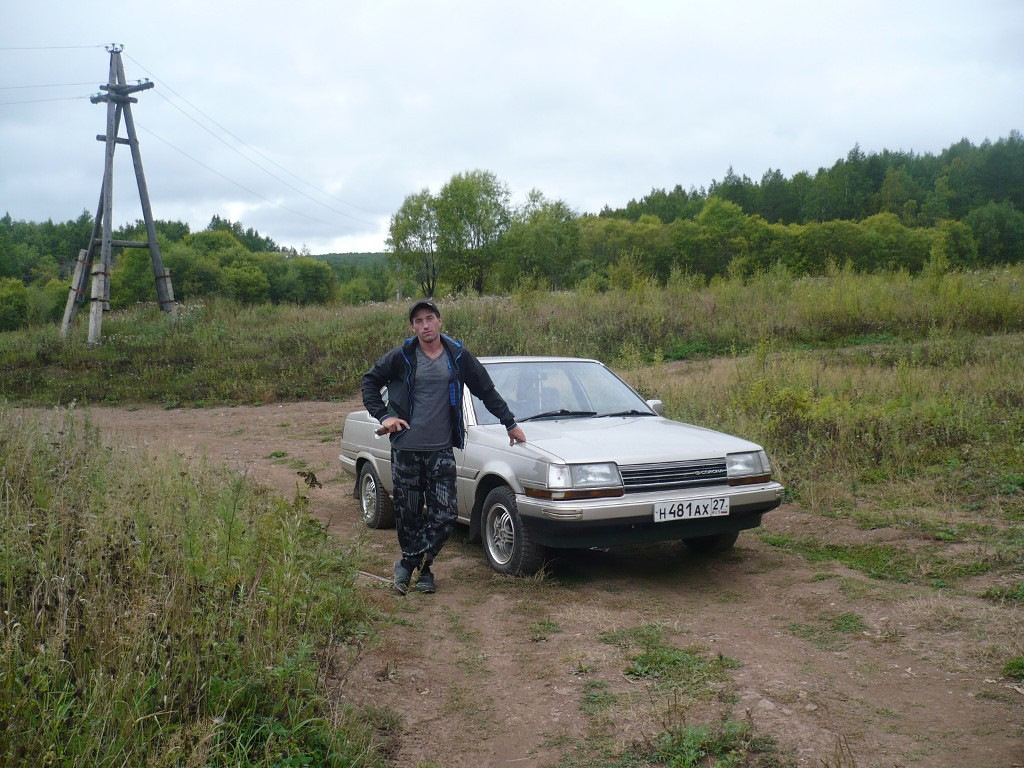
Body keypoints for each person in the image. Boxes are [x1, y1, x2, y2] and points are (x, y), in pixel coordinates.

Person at [361, 299, 527, 595]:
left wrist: (509, 422)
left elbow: (485, 390)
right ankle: (422, 571)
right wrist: (385, 416)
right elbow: (370, 382)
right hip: (407, 450)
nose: (425, 325)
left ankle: (409, 564)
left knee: (446, 514)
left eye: (429, 318)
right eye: (418, 321)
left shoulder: (458, 357)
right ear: (412, 327)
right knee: (409, 514)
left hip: (441, 450)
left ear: (439, 321)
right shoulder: (402, 357)